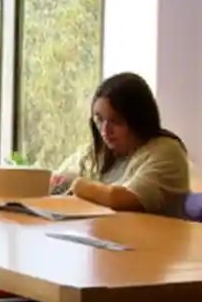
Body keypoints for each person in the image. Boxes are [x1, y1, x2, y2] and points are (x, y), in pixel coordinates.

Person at [51, 72, 190, 217]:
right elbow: (57, 179)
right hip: (105, 235)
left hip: (152, 237)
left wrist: (79, 185)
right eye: (99, 120)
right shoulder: (101, 152)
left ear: (138, 119)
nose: (105, 131)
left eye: (116, 120)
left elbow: (121, 199)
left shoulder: (166, 151)